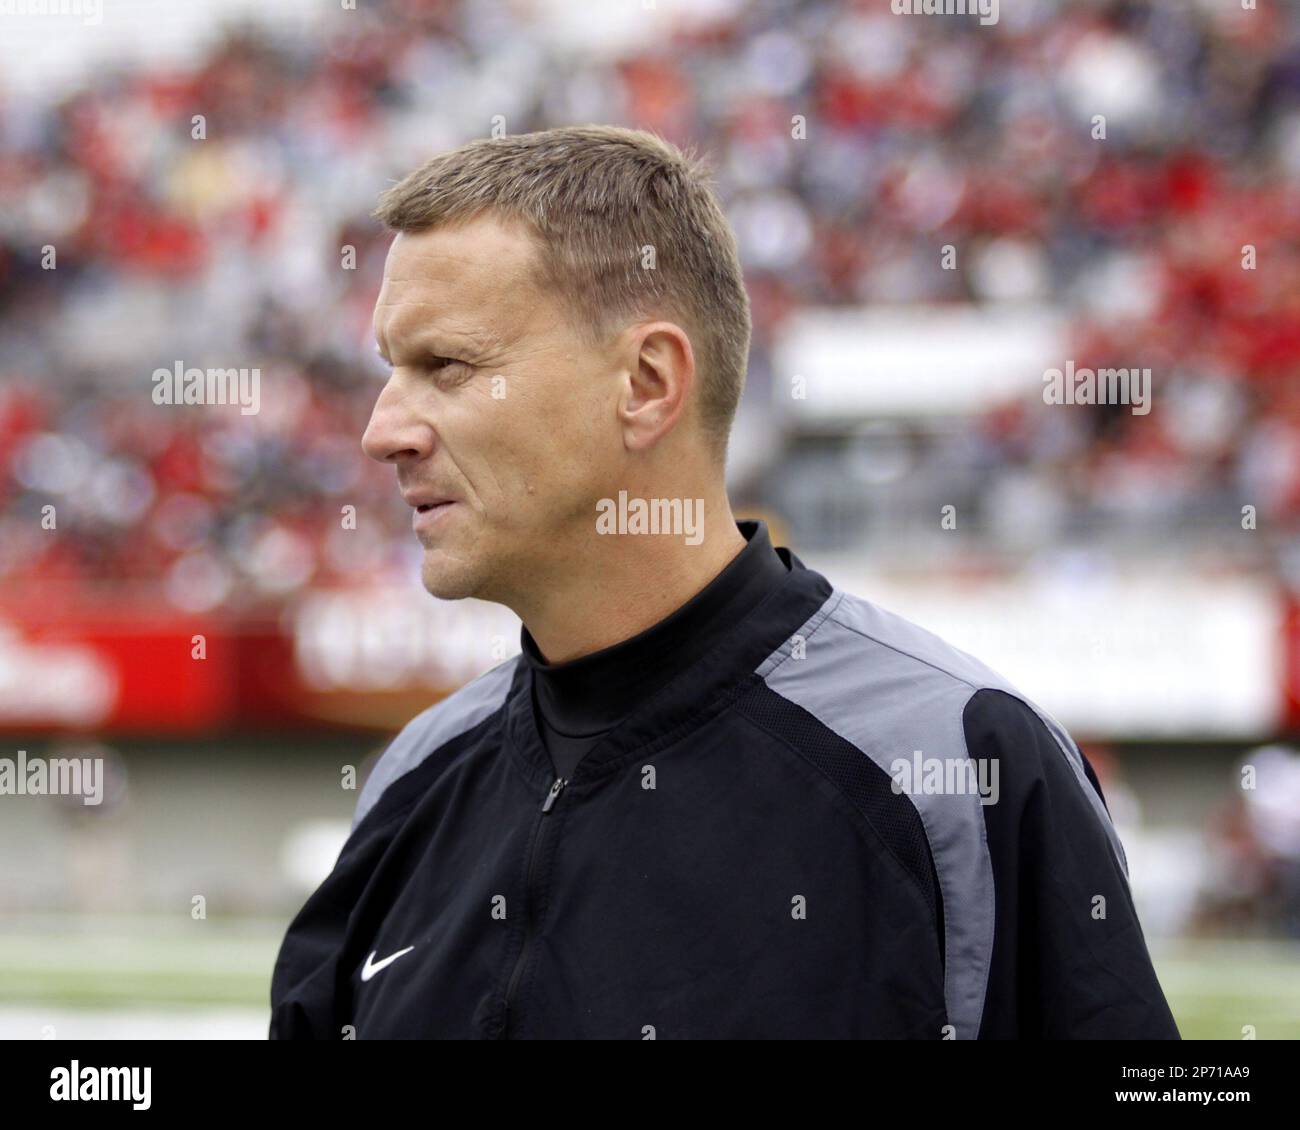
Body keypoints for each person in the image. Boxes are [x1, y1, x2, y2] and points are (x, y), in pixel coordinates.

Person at [270, 126, 1178, 1039]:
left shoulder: (958, 763)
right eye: (391, 371)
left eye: (447, 367)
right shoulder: (414, 777)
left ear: (647, 382)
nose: (383, 432)